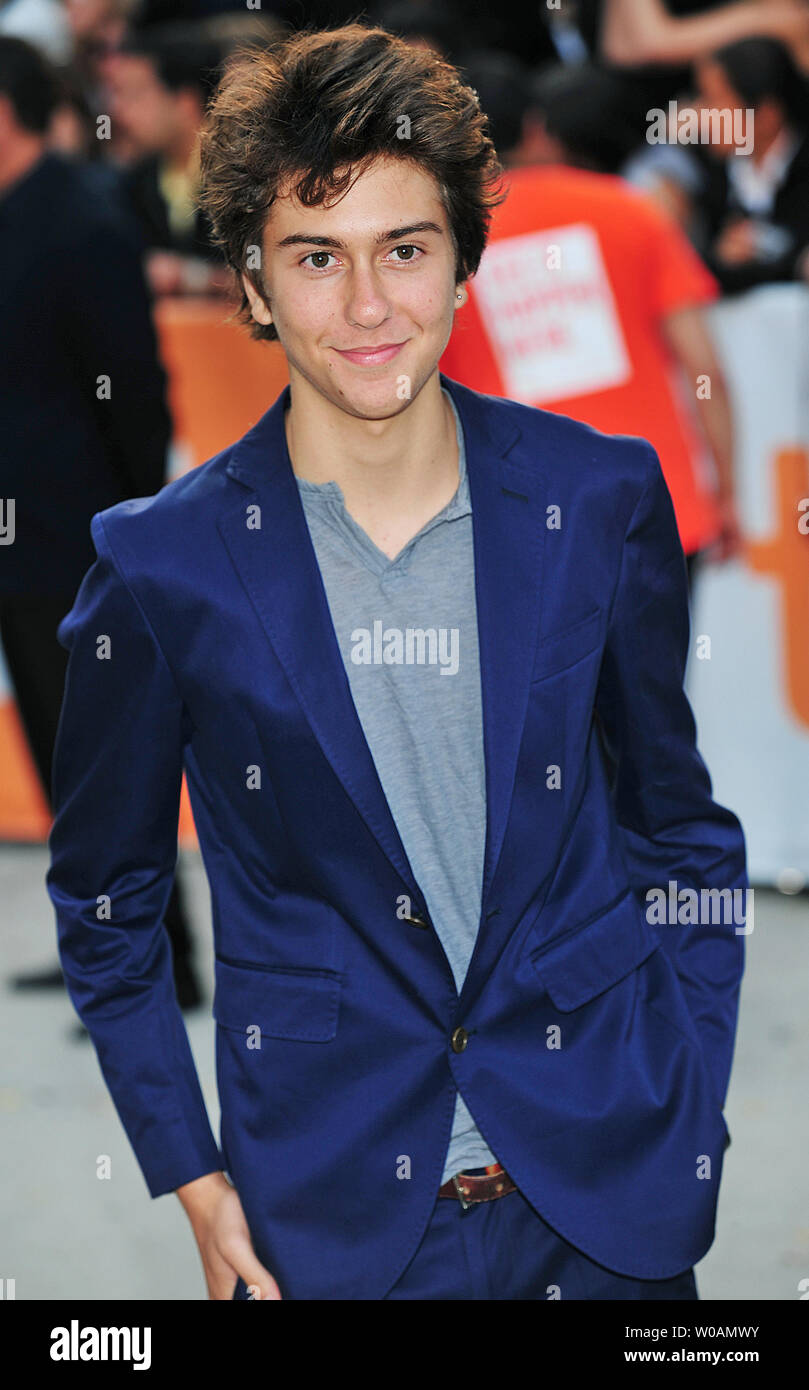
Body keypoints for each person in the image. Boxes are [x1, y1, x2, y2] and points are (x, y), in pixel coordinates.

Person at [47, 22, 748, 1302]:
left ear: (462, 265)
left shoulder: (596, 498)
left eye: (404, 249)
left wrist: (690, 1086)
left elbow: (678, 831)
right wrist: (193, 1181)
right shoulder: (161, 567)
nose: (367, 307)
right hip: (337, 1219)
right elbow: (108, 907)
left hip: (606, 1192)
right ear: (252, 286)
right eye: (315, 258)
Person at [0, 35, 200, 1010]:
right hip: (13, 537)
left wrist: (128, 530)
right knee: (55, 757)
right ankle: (99, 950)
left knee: (105, 766)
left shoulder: (80, 220)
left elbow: (134, 394)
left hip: (73, 535)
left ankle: (159, 965)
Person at [440, 60, 743, 598]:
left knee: (550, 683)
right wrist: (728, 492)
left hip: (518, 515)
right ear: (536, 127)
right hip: (657, 503)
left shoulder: (443, 247)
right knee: (653, 681)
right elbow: (706, 369)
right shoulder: (632, 210)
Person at [693, 36, 809, 294]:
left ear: (767, 116)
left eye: (714, 102)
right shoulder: (709, 172)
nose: (701, 116)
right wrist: (720, 259)